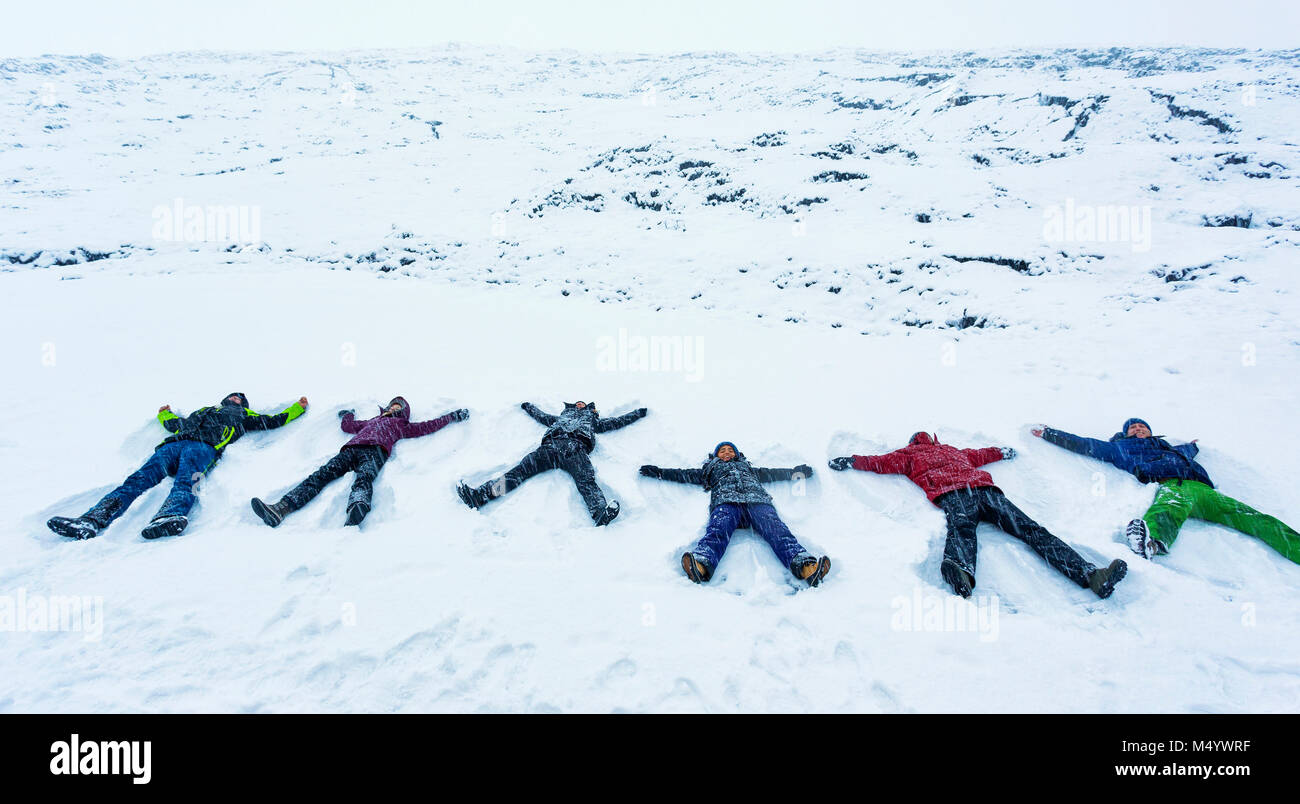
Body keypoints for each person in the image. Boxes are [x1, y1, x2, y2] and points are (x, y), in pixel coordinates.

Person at [830, 432, 1127, 598]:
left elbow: (981, 454)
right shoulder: (907, 455)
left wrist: (1000, 451)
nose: (924, 441)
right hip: (963, 493)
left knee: (1026, 529)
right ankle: (960, 571)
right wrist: (853, 461)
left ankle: (1092, 575)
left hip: (979, 492)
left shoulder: (952, 450)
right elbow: (879, 462)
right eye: (920, 439)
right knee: (969, 529)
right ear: (915, 442)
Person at [1034, 418, 1300, 564]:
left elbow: (1187, 451)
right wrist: (1050, 434)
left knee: (1254, 518)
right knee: (1167, 509)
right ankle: (1150, 542)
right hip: (1173, 487)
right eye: (1133, 427)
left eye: (1142, 426)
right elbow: (1085, 444)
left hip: (1204, 492)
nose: (1138, 429)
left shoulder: (1168, 448)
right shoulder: (1120, 448)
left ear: (1150, 431)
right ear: (1125, 433)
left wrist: (1193, 446)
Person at [47, 392, 308, 540]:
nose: (236, 398)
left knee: (187, 481)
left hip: (203, 449)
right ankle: (92, 520)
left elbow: (275, 420)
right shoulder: (204, 411)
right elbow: (176, 424)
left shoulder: (244, 417)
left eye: (240, 398)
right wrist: (164, 414)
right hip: (173, 446)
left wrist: (298, 407)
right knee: (136, 481)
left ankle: (169, 516)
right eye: (233, 396)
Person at [252, 397, 468, 527]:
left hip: (375, 451)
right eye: (392, 405)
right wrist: (347, 415)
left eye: (398, 407)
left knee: (364, 477)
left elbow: (429, 426)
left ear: (403, 412)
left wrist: (451, 416)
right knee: (319, 476)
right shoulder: (373, 421)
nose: (393, 408)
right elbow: (348, 427)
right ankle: (282, 507)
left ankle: (358, 505)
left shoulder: (402, 425)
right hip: (350, 450)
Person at [640, 442, 830, 587]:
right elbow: (682, 474)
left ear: (737, 454)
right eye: (722, 451)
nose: (727, 453)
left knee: (778, 531)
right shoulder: (710, 470)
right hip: (726, 502)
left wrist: (797, 473)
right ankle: (700, 564)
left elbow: (775, 473)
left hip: (757, 502)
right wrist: (659, 472)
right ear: (716, 456)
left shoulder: (749, 469)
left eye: (730, 450)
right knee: (717, 530)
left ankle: (807, 567)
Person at [457, 401, 646, 526]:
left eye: (584, 404)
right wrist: (529, 407)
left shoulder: (592, 421)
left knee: (586, 480)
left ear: (590, 411)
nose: (580, 405)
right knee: (518, 472)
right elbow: (541, 416)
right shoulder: (559, 418)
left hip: (576, 449)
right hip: (549, 447)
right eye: (577, 403)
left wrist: (637, 413)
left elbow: (617, 421)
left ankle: (599, 513)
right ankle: (479, 496)